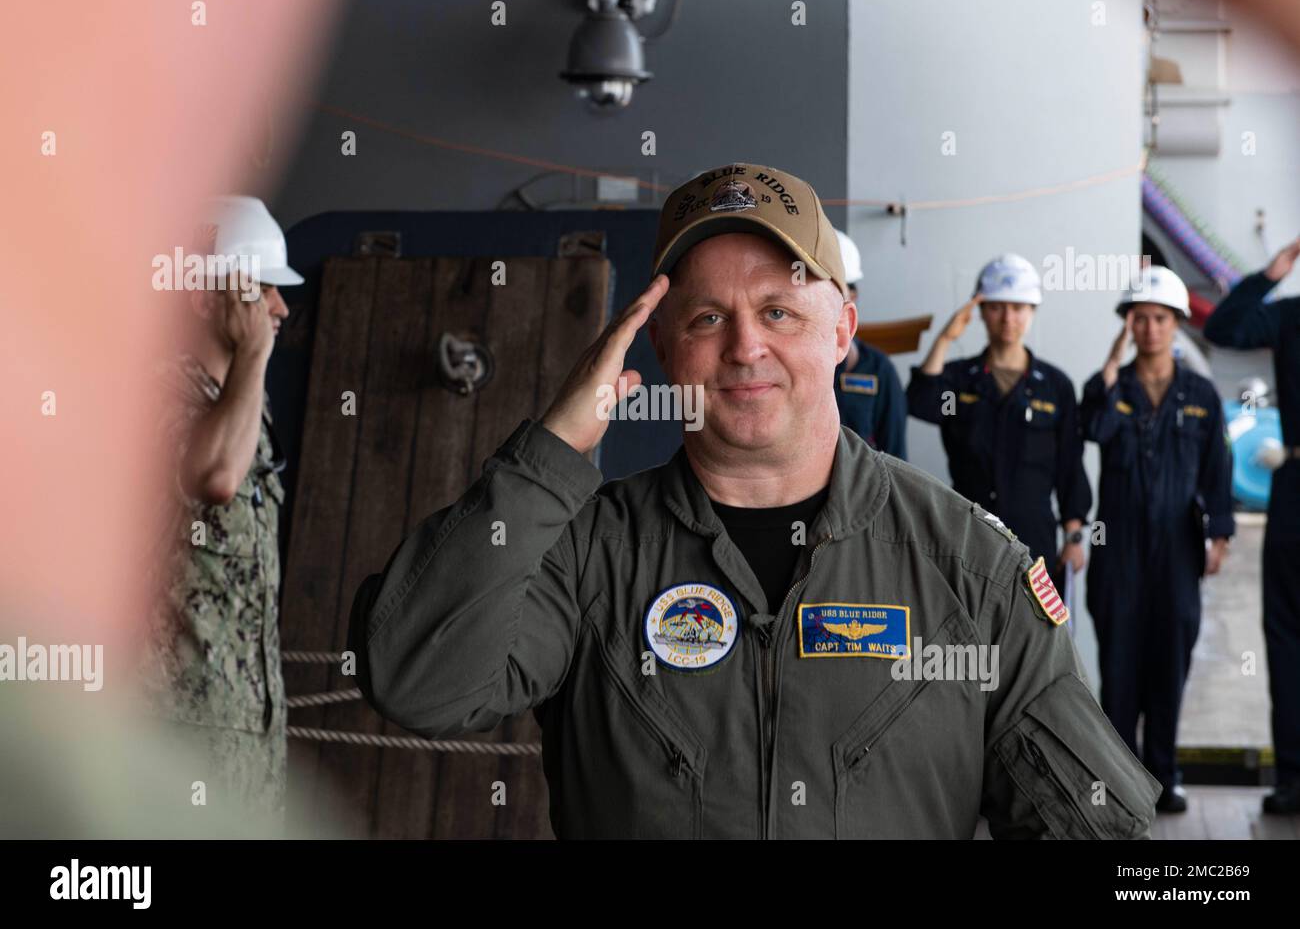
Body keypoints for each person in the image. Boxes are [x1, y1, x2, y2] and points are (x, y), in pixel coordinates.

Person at [349, 163, 1159, 838]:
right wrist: (553, 451)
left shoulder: (971, 570)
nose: (744, 347)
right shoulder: (581, 554)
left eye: (778, 310)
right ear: (661, 347)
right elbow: (420, 681)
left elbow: (1101, 831)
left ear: (842, 330)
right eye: (707, 318)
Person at [141, 195, 301, 824]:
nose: (281, 308)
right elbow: (214, 476)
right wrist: (256, 353)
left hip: (249, 742)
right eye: (264, 290)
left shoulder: (241, 405)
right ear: (208, 298)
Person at [1081, 266, 1234, 814]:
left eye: (1160, 319)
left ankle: (1164, 776)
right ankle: (1120, 782)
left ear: (1176, 325)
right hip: (1115, 547)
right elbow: (1091, 430)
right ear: (1127, 326)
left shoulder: (1201, 394)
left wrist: (1220, 534)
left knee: (1170, 662)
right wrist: (1107, 371)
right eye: (1139, 318)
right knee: (1120, 665)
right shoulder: (1108, 389)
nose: (1149, 328)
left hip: (1177, 548)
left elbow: (1218, 468)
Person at [906, 254, 1091, 592]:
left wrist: (1075, 535)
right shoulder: (960, 379)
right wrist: (945, 339)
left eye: (1019, 308)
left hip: (1036, 538)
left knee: (1036, 638)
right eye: (996, 307)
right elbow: (920, 402)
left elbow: (1070, 465)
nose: (1008, 318)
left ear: (1032, 311)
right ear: (980, 311)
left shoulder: (1054, 385)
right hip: (967, 534)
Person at [1204, 238, 1300, 814]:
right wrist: (1269, 274)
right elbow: (1225, 327)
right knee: (1286, 636)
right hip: (1294, 484)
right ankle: (1292, 777)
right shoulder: (1290, 315)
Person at [831, 228, 907, 459]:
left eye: (835, 287)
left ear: (852, 296)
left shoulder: (877, 369)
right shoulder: (777, 359)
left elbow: (895, 458)